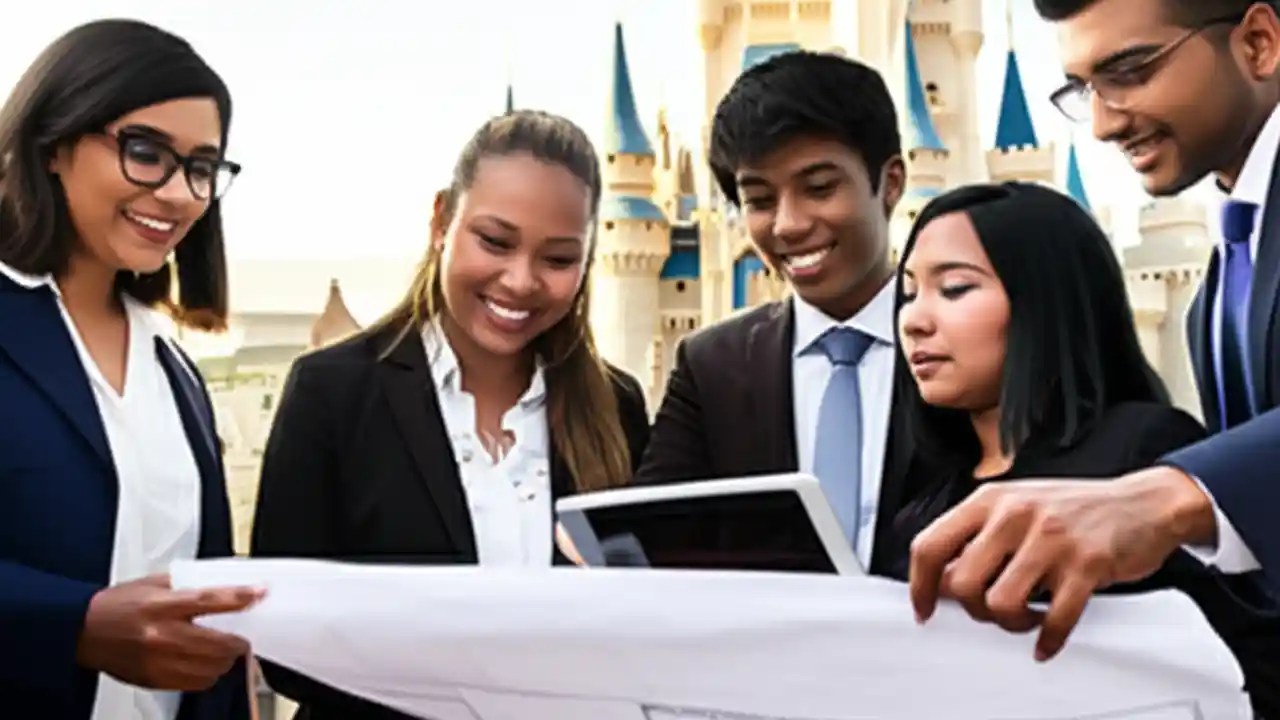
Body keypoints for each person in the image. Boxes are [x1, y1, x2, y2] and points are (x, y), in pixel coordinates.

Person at [908, 0, 1280, 663]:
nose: (1104, 122)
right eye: (1084, 90)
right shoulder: (1218, 287)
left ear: (1258, 43)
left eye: (1131, 71)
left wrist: (1172, 495)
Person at [249, 110, 651, 719]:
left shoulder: (617, 407)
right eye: (495, 241)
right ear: (442, 221)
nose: (520, 281)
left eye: (559, 259)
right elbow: (286, 650)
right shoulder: (332, 393)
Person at [892, 181, 1280, 716]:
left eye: (955, 288)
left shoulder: (1146, 457)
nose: (914, 318)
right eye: (908, 292)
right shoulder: (921, 507)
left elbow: (1249, 668)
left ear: (1045, 298)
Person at [0, 18, 260, 720]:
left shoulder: (177, 372)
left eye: (202, 167)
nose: (179, 194)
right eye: (146, 152)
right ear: (54, 144)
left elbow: (211, 615)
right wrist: (74, 624)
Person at [634, 50, 915, 575]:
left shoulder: (973, 342)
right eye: (760, 200)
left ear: (891, 182)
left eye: (819, 188)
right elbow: (656, 540)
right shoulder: (712, 367)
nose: (787, 224)